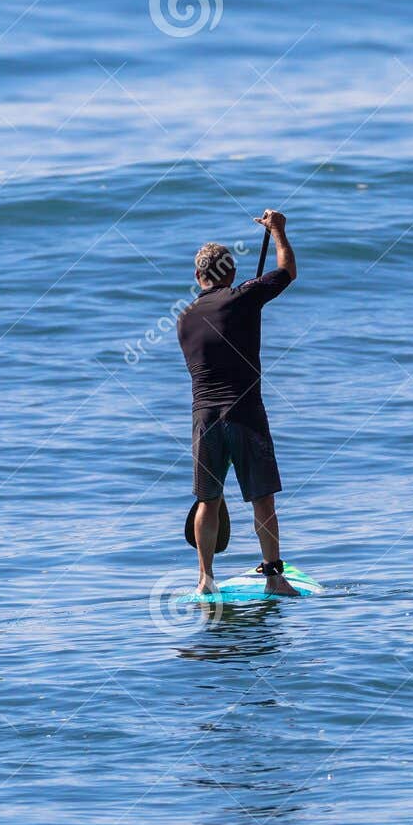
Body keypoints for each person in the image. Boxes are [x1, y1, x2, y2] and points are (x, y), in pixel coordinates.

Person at [177, 210, 299, 597]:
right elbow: (287, 271)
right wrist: (277, 230)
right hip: (244, 413)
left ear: (199, 278)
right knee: (262, 498)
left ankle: (204, 580)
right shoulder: (243, 296)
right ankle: (275, 578)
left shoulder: (184, 319)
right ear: (229, 273)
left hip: (204, 419)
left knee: (207, 501)